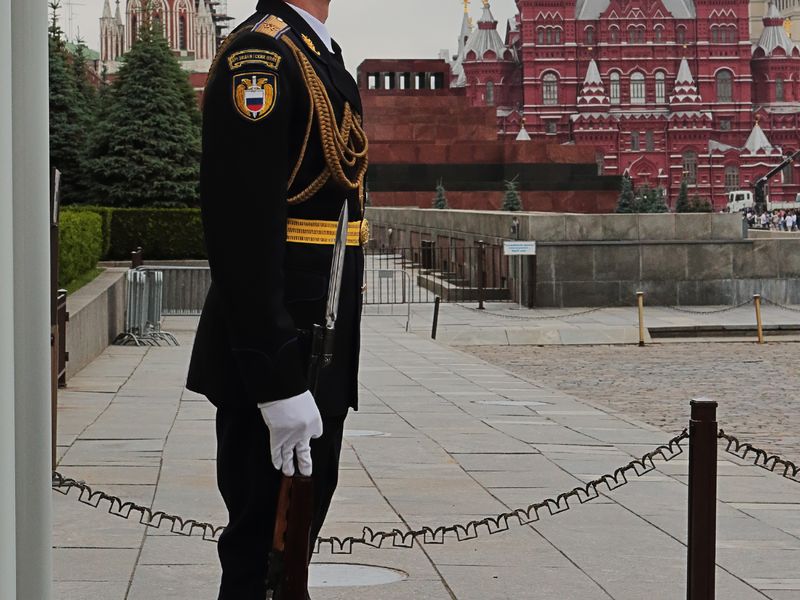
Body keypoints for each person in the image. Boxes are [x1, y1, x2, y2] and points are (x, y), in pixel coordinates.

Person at [186, 0, 368, 597]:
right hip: (283, 357)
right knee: (260, 564)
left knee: (289, 562)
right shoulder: (260, 58)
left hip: (320, 349)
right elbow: (241, 230)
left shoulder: (316, 50)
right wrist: (277, 383)